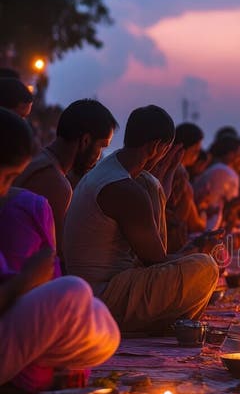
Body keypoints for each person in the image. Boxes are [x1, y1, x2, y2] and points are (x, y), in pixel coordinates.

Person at [63, 105, 218, 335]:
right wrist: (196, 250)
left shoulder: (115, 171)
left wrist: (158, 193)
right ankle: (166, 326)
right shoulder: (125, 189)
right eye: (165, 150)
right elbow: (156, 260)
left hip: (92, 290)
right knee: (206, 267)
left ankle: (165, 324)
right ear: (156, 147)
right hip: (103, 298)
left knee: (150, 183)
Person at [0, 108, 119, 394]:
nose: (6, 192)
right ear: (85, 140)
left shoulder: (53, 176)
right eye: (7, 178)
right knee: (74, 292)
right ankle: (25, 372)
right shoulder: (51, 183)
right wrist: (28, 278)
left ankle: (32, 367)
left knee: (100, 319)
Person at [16, 98, 118, 253]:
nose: (99, 157)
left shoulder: (38, 160)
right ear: (85, 141)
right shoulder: (55, 183)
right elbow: (57, 253)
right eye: (101, 147)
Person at [166, 121, 206, 252]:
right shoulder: (179, 172)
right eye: (195, 151)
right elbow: (192, 223)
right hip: (171, 243)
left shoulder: (167, 168)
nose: (196, 156)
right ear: (182, 148)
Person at [193, 134, 240, 231]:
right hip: (211, 223)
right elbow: (230, 203)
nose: (239, 158)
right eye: (238, 154)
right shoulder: (226, 172)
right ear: (230, 154)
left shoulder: (209, 167)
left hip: (203, 220)